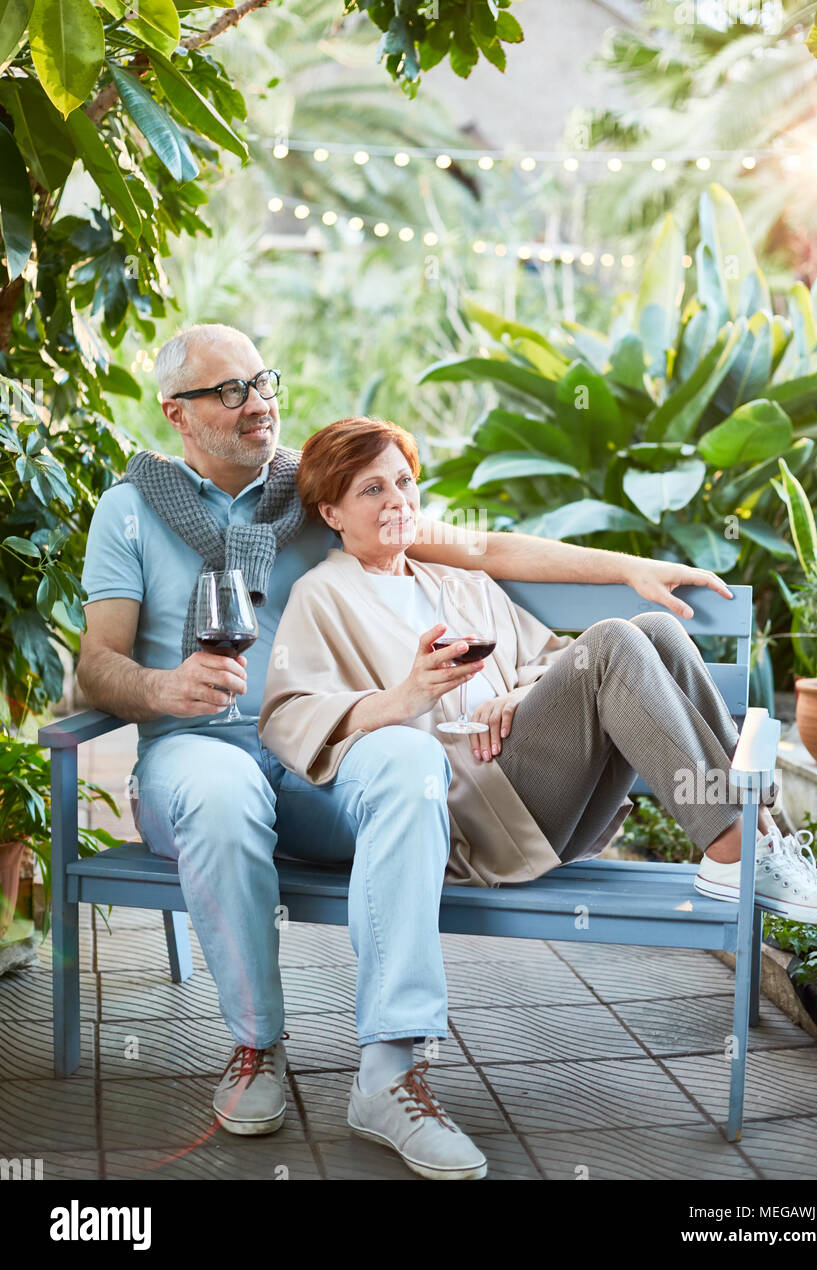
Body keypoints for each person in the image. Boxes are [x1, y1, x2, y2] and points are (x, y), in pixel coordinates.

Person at [76, 322, 759, 1174]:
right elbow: (96, 665)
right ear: (179, 415)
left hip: (326, 757)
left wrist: (625, 566)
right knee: (222, 793)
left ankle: (392, 1070)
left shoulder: (315, 494)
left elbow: (482, 548)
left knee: (408, 759)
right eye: (230, 392)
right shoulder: (131, 510)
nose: (258, 403)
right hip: (200, 745)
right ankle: (257, 1046)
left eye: (263, 381)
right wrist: (161, 689)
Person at [258, 414, 817, 1180]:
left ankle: (754, 834)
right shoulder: (325, 596)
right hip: (466, 816)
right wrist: (410, 694)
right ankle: (735, 848)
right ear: (331, 511)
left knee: (654, 628)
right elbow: (289, 717)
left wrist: (513, 697)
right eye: (371, 488)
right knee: (615, 640)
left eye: (405, 481)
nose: (396, 500)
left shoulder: (457, 581)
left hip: (543, 798)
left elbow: (548, 660)